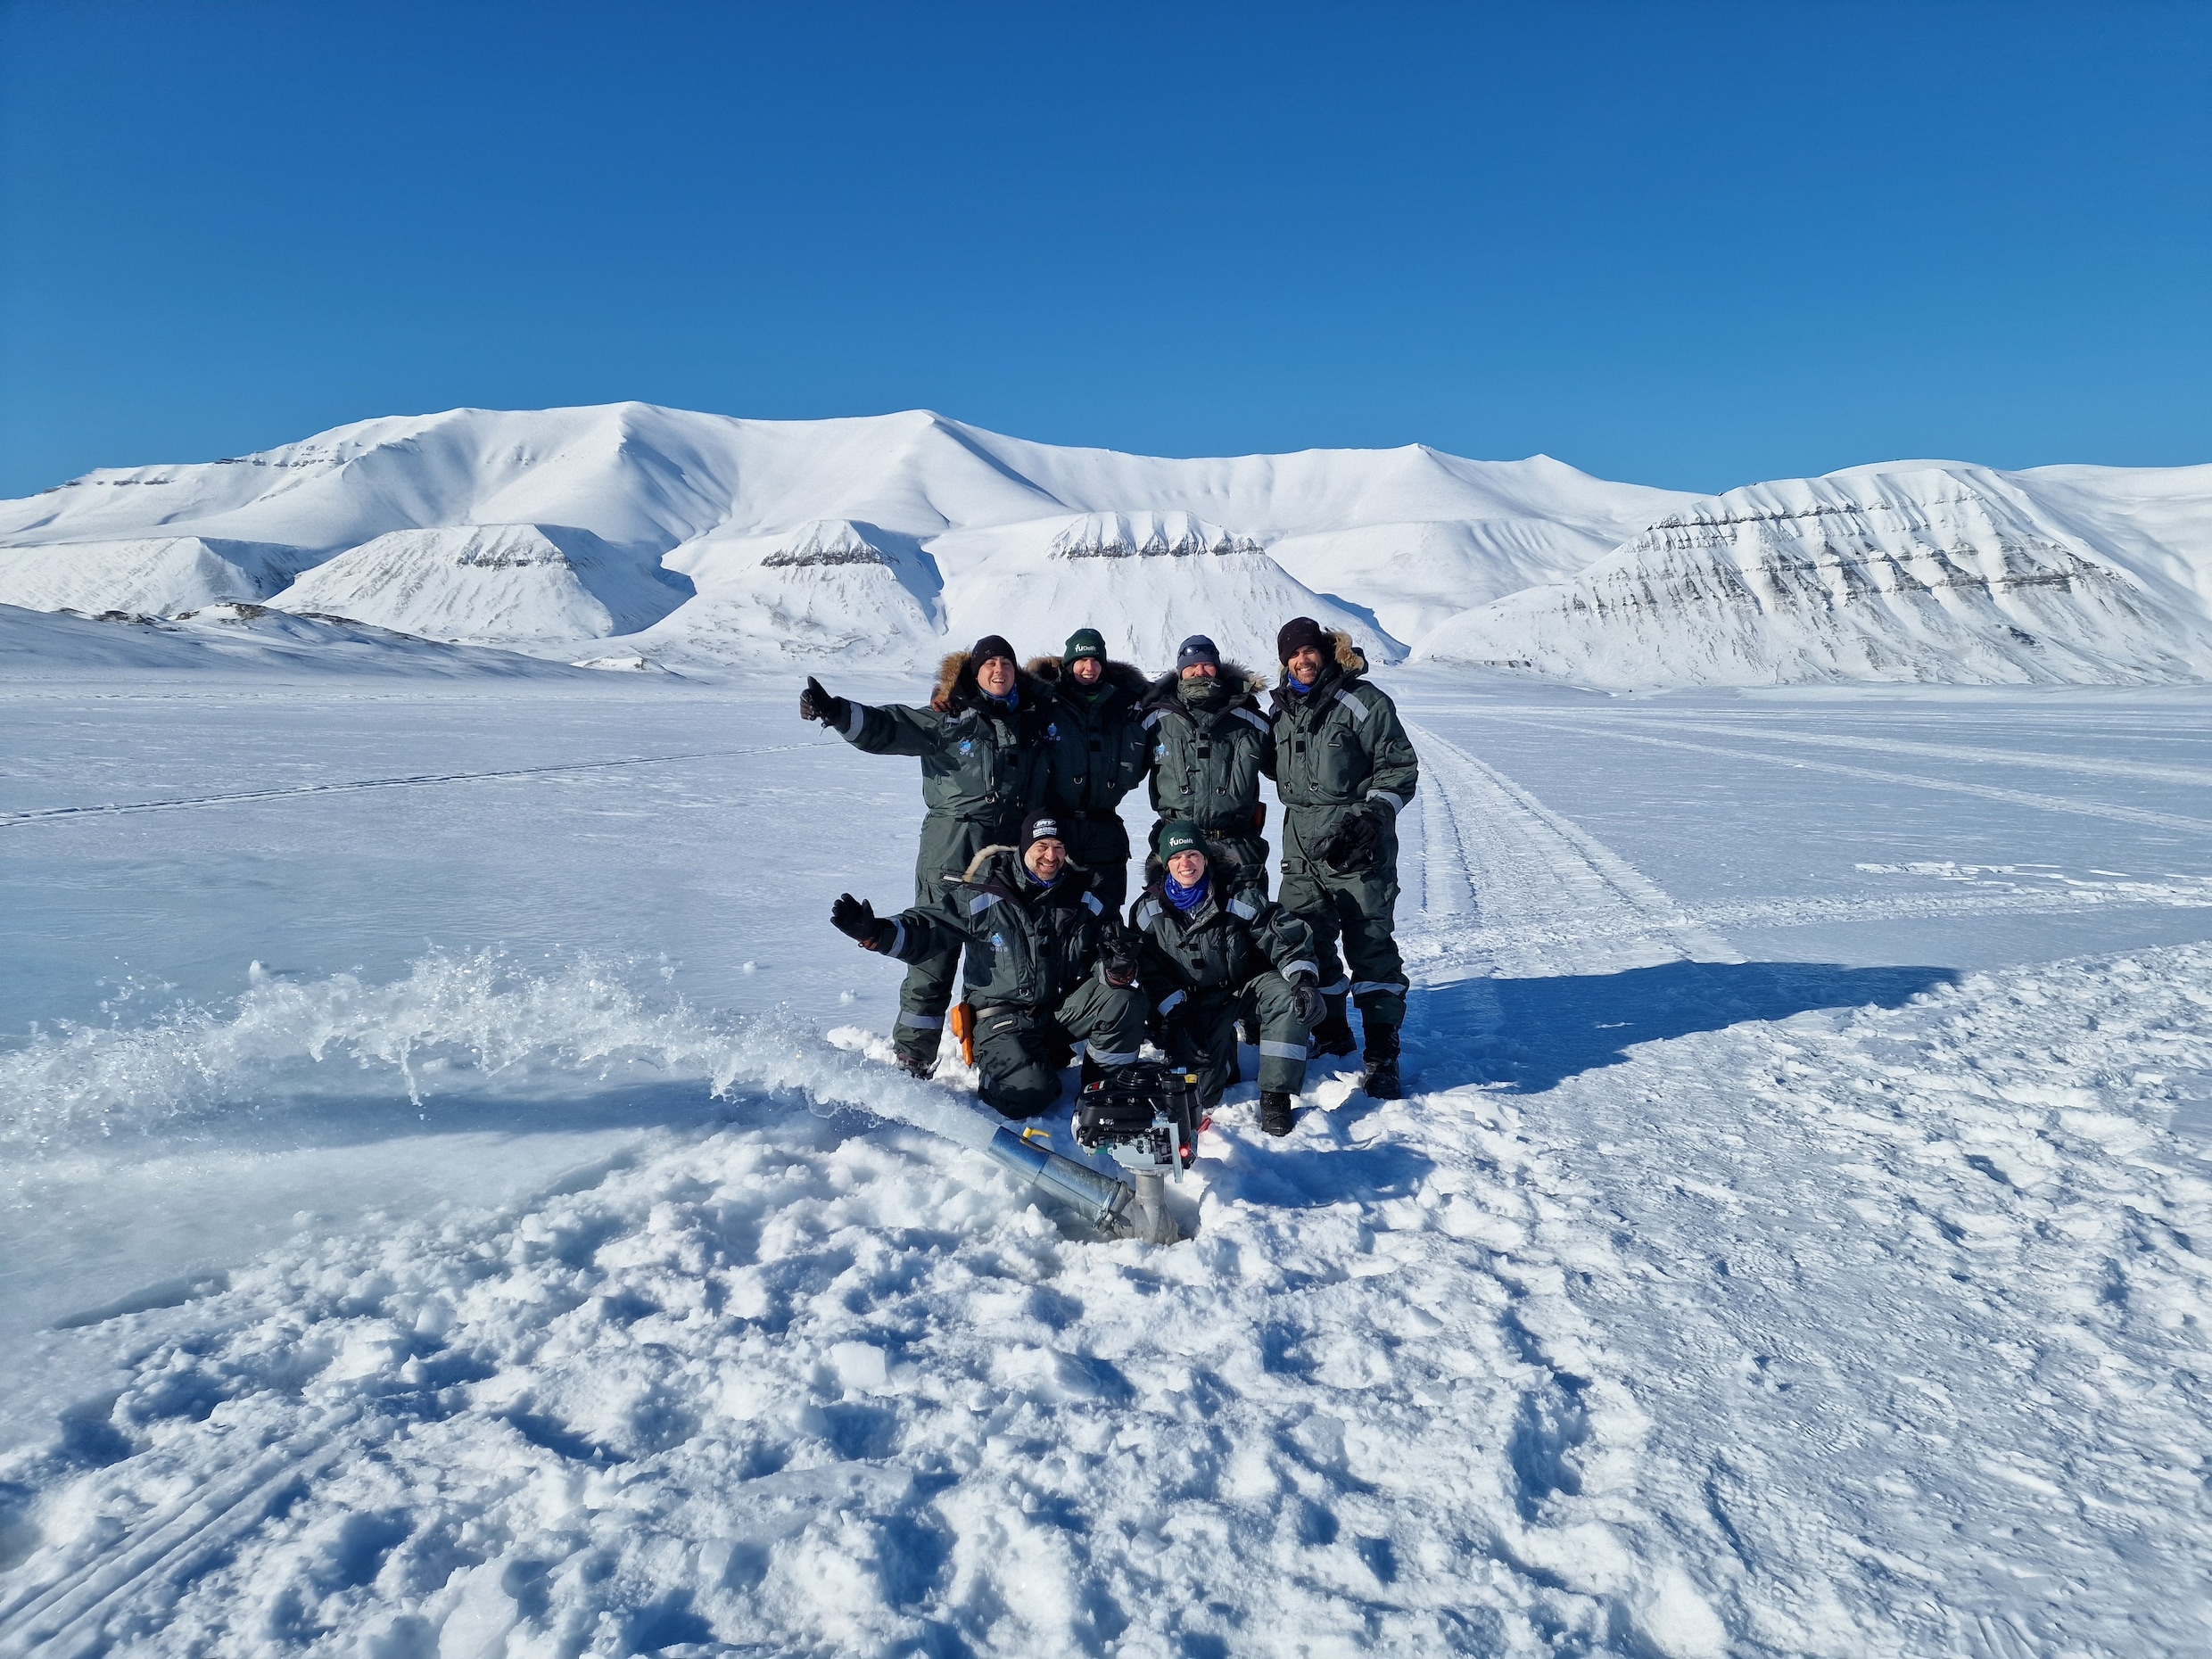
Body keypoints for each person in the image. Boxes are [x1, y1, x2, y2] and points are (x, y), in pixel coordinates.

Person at [800, 635, 1054, 1077]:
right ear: (974, 674)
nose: (999, 671)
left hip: (1011, 854)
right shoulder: (950, 718)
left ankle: (1005, 1042)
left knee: (1006, 950)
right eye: (989, 664)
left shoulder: (1030, 719)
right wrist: (837, 712)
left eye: (1007, 664)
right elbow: (888, 726)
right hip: (951, 850)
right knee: (933, 955)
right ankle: (913, 1059)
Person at [829, 810, 1147, 1118]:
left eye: (1058, 847)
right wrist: (876, 933)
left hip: (1057, 1012)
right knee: (1034, 1093)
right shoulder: (984, 894)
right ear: (1024, 848)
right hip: (1001, 1021)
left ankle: (1105, 1088)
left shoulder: (1080, 895)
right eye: (1042, 846)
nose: (1051, 856)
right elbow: (928, 928)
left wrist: (1117, 969)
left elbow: (1108, 949)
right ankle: (997, 1075)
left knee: (1124, 1001)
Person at [1267, 616, 1420, 1099]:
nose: (1303, 660)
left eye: (1309, 651)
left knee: (1369, 943)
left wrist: (1374, 817)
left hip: (1357, 843)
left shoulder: (1362, 701)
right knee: (1304, 940)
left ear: (1326, 653)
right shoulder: (1281, 711)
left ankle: (1382, 1056)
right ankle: (1332, 1035)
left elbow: (1399, 767)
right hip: (1299, 844)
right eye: (1293, 654)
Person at [1127, 820, 1327, 1137]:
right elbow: (1150, 974)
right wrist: (1175, 1014)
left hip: (1244, 988)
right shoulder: (1147, 910)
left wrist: (1303, 978)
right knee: (1203, 1092)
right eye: (1177, 858)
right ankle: (1224, 1055)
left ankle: (1276, 1096)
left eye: (1193, 854)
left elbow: (1282, 935)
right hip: (1193, 1005)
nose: (1186, 864)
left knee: (1286, 995)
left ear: (1206, 858)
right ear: (1166, 864)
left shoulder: (1238, 894)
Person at [1138, 633, 1277, 895]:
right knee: (1173, 925)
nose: (1199, 672)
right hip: (1177, 847)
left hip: (1238, 848)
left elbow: (1290, 772)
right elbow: (1121, 771)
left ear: (1218, 667)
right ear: (1180, 672)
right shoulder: (1156, 720)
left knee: (1246, 924)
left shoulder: (1252, 721)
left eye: (1206, 664)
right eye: (1191, 666)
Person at [1028, 627, 1152, 916]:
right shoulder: (1045, 700)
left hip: (1105, 832)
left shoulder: (1126, 703)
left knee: (1106, 917)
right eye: (1082, 660)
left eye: (1096, 661)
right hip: (1056, 833)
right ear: (1069, 663)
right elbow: (994, 697)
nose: (1089, 668)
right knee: (1058, 915)